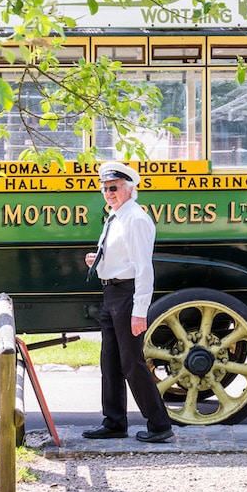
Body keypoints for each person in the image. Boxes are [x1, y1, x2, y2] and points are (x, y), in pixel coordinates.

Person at [82, 161, 173, 443]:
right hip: (111, 293)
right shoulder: (117, 217)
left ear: (130, 189)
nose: (108, 193)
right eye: (105, 188)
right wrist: (97, 261)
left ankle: (159, 424)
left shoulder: (135, 219)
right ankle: (114, 422)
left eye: (114, 188)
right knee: (109, 362)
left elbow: (143, 268)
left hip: (126, 295)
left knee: (131, 362)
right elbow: (121, 259)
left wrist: (139, 311)